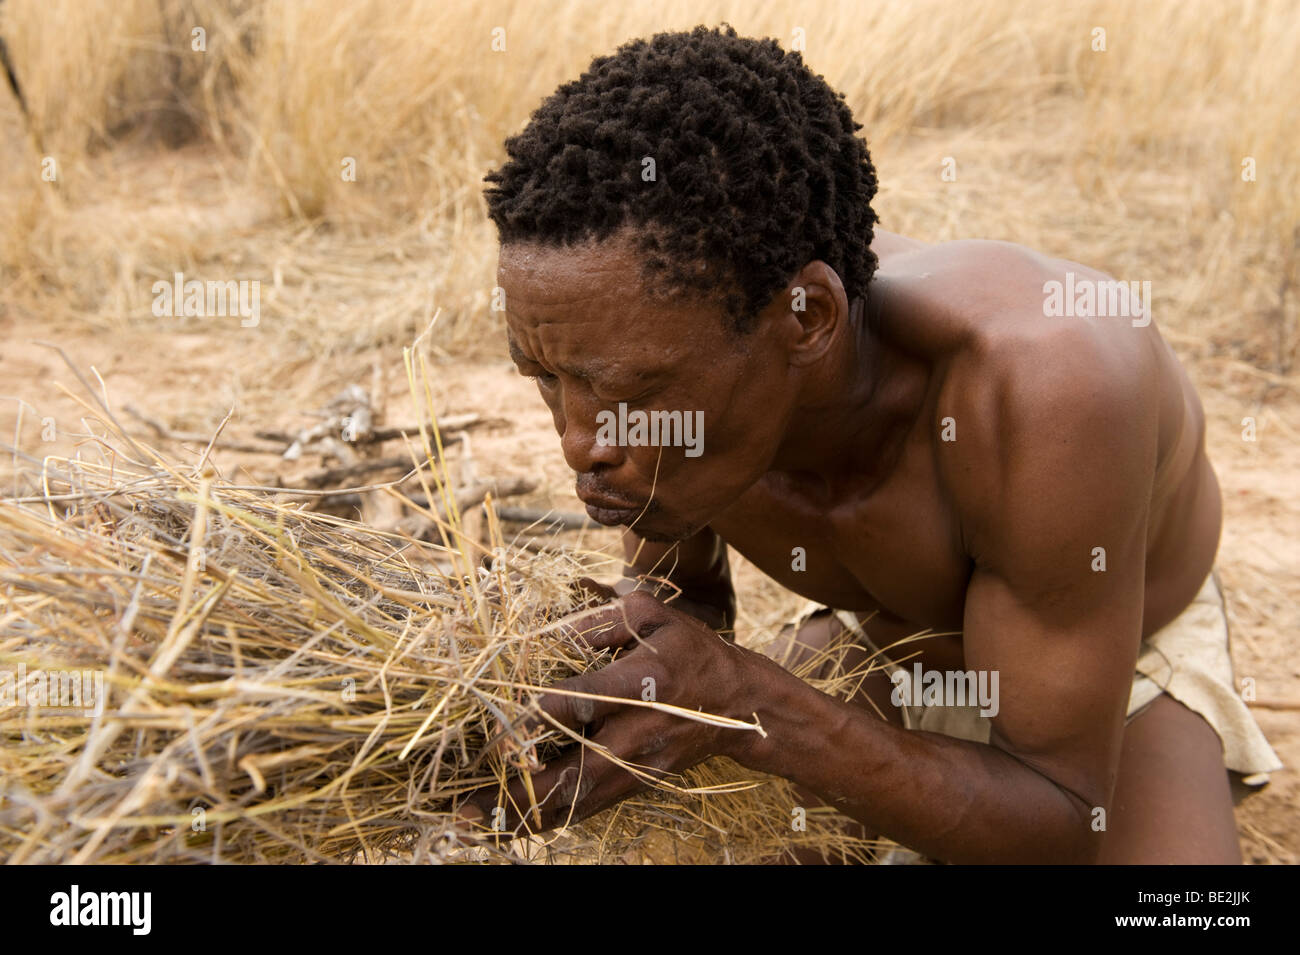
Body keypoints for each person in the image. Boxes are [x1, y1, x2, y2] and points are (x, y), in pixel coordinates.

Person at [465, 25, 1281, 863]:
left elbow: (1062, 811)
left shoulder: (1044, 388)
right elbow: (687, 602)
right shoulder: (670, 375)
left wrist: (752, 703)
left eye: (630, 394)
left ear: (807, 318)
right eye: (545, 377)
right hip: (883, 649)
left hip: (1109, 676)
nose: (577, 443)